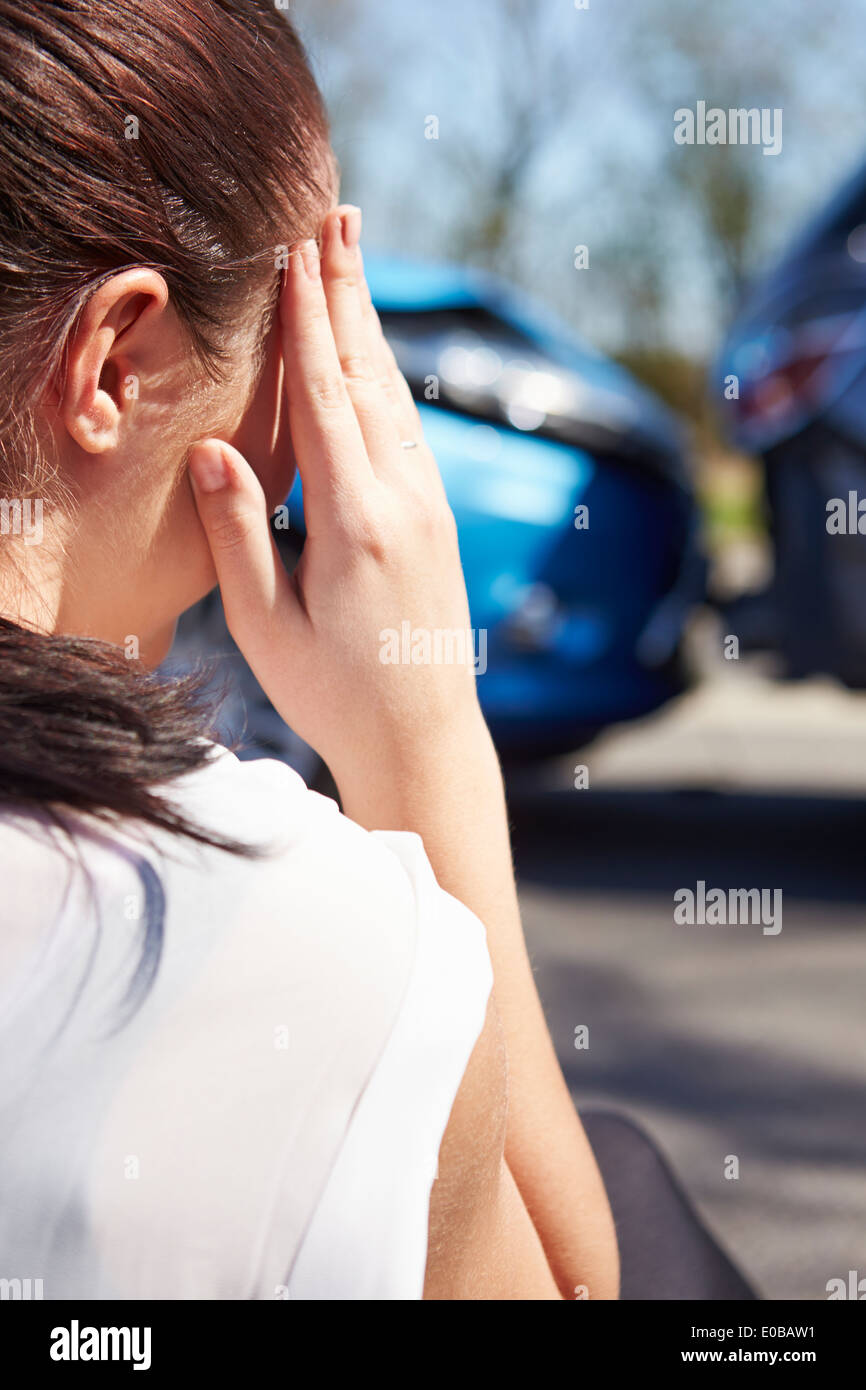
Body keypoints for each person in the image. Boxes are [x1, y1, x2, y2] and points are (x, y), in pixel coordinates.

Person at [0, 0, 619, 1300]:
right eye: (307, 335)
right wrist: (423, 737)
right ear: (113, 363)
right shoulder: (289, 933)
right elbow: (568, 1282)